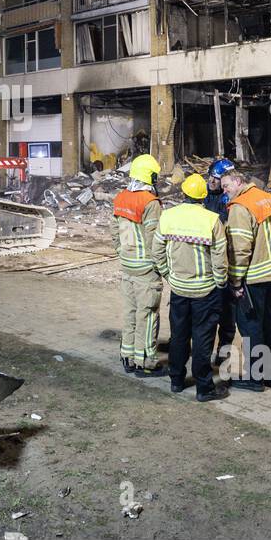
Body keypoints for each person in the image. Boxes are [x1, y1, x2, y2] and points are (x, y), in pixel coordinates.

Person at [154, 173, 229, 400]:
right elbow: (219, 256)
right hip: (206, 290)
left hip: (178, 289)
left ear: (184, 193)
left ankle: (176, 380)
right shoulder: (211, 220)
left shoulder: (167, 217)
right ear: (203, 196)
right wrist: (220, 281)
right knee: (203, 338)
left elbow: (156, 251)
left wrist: (169, 274)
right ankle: (204, 388)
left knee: (178, 335)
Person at [221, 166, 271, 390]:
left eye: (227, 186)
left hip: (256, 275)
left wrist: (235, 281)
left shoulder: (240, 207)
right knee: (268, 323)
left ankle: (254, 378)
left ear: (238, 182)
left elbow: (240, 249)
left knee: (251, 326)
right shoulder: (268, 199)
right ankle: (269, 375)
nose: (225, 191)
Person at [111, 153, 164, 375]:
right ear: (149, 176)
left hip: (127, 266)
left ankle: (128, 356)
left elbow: (115, 232)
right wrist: (162, 266)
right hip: (146, 269)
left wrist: (121, 253)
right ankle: (146, 363)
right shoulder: (150, 203)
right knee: (147, 315)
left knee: (130, 312)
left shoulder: (121, 197)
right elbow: (155, 239)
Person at [206, 157, 236, 368]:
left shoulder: (229, 201)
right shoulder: (204, 194)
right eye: (211, 178)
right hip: (206, 261)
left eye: (216, 180)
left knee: (227, 314)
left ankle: (223, 352)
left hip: (224, 261)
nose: (212, 182)